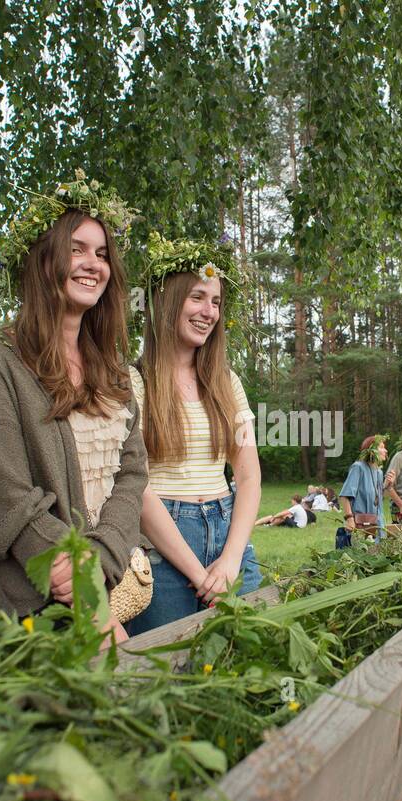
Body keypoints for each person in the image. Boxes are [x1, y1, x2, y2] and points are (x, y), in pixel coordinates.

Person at [0, 173, 146, 647]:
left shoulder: (115, 370)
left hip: (106, 582)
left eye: (102, 254)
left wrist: (100, 560)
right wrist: (70, 568)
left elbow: (132, 473)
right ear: (43, 260)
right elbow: (1, 490)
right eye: (77, 249)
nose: (93, 264)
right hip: (30, 600)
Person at [127, 233, 263, 635]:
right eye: (197, 298)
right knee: (169, 671)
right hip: (162, 544)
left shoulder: (225, 382)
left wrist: (231, 559)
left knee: (250, 659)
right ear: (167, 302)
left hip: (228, 534)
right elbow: (137, 486)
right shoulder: (132, 382)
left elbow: (249, 476)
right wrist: (197, 573)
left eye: (216, 302)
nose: (209, 312)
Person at [339, 435, 388, 541]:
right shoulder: (358, 467)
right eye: (381, 447)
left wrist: (388, 484)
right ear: (371, 450)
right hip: (359, 524)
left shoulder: (379, 472)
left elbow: (377, 500)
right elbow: (344, 496)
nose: (385, 450)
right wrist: (349, 518)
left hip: (377, 524)